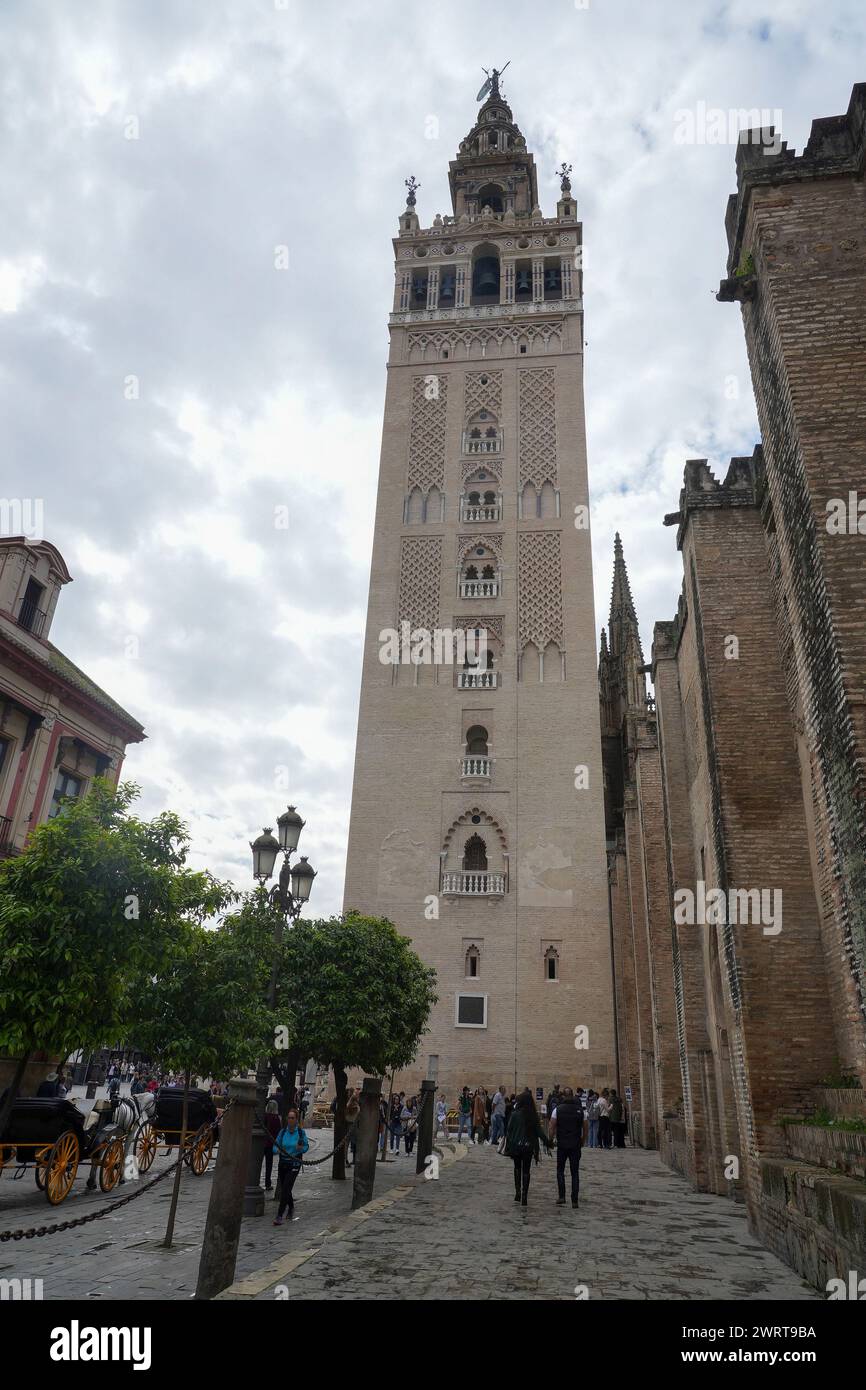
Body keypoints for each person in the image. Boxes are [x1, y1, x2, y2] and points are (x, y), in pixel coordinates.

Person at [504, 1089, 552, 1206]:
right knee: (526, 1170)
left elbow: (509, 1131)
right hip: (528, 1147)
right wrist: (548, 1142)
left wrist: (509, 1145)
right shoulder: (532, 1117)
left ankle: (518, 1192)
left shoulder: (515, 1114)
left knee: (517, 1168)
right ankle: (525, 1195)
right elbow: (540, 1132)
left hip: (516, 1146)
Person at [549, 1087, 587, 1208]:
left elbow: (551, 1126)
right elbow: (586, 1127)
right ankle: (574, 1200)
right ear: (572, 1096)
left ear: (564, 1097)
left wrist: (551, 1139)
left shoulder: (557, 1110)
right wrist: (583, 1140)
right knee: (574, 1172)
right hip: (575, 1144)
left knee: (560, 1170)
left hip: (562, 1145)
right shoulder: (581, 1111)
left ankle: (562, 1196)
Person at [273, 1108, 309, 1225]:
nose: (290, 1120)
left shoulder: (300, 1133)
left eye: (292, 1118)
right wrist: (277, 1150)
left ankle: (279, 1215)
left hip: (294, 1163)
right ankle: (291, 1207)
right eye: (288, 1117)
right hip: (283, 1162)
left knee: (286, 1187)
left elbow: (306, 1147)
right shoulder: (283, 1132)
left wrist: (301, 1148)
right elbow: (275, 1146)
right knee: (285, 1187)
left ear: (296, 1119)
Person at [263, 1099, 280, 1191]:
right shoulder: (276, 1118)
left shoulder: (264, 1116)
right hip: (270, 1144)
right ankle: (267, 1183)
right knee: (268, 1165)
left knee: (257, 1163)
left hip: (262, 1143)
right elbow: (278, 1132)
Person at [345, 1087, 361, 1166]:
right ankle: (346, 1160)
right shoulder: (350, 1104)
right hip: (350, 1124)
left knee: (353, 1143)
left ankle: (352, 1159)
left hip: (354, 1124)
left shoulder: (354, 1103)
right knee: (348, 1143)